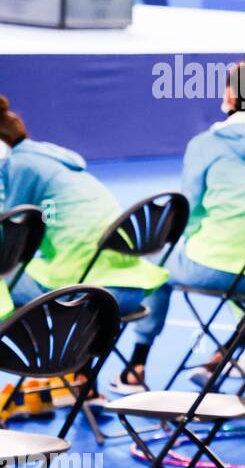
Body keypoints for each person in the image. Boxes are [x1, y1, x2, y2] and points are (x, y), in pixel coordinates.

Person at [114, 51, 245, 393]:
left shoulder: (204, 145)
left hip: (207, 266)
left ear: (229, 97)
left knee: (156, 269)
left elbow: (188, 213)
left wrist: (198, 239)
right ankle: (230, 353)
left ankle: (136, 366)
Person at [0, 98, 165, 318]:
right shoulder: (51, 161)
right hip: (131, 291)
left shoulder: (19, 166)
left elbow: (7, 236)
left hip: (87, 294)